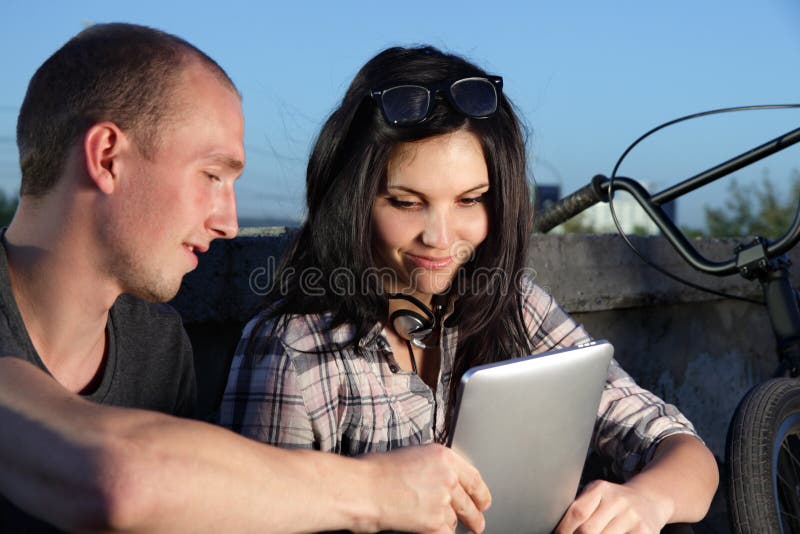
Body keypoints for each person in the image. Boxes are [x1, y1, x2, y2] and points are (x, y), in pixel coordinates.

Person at [0, 24, 492, 533]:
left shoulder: (157, 344)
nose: (229, 223)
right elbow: (117, 480)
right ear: (106, 157)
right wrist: (375, 491)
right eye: (212, 175)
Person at [219, 45, 720, 532]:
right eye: (406, 202)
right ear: (352, 201)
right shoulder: (296, 351)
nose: (440, 239)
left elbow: (683, 450)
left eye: (470, 200)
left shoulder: (514, 305)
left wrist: (646, 502)